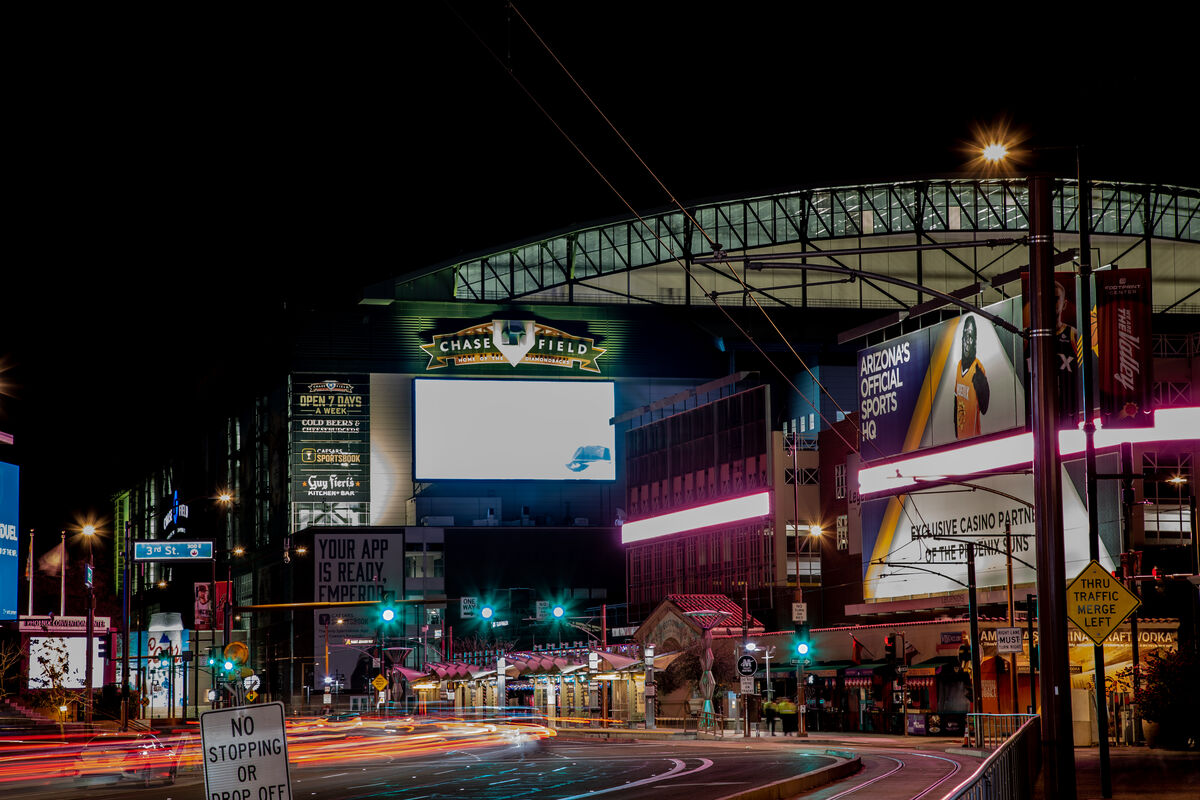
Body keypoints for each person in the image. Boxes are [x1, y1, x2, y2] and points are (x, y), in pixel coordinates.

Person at [954, 315, 990, 439]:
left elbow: (984, 409)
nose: (967, 341)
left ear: (975, 341)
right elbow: (956, 401)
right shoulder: (959, 365)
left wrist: (982, 386)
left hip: (973, 440)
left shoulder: (978, 369)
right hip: (960, 439)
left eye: (971, 337)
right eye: (965, 336)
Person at [1052, 281, 1083, 427]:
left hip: (1068, 407)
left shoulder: (1073, 334)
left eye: (1055, 298)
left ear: (1064, 304)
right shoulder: (1027, 335)